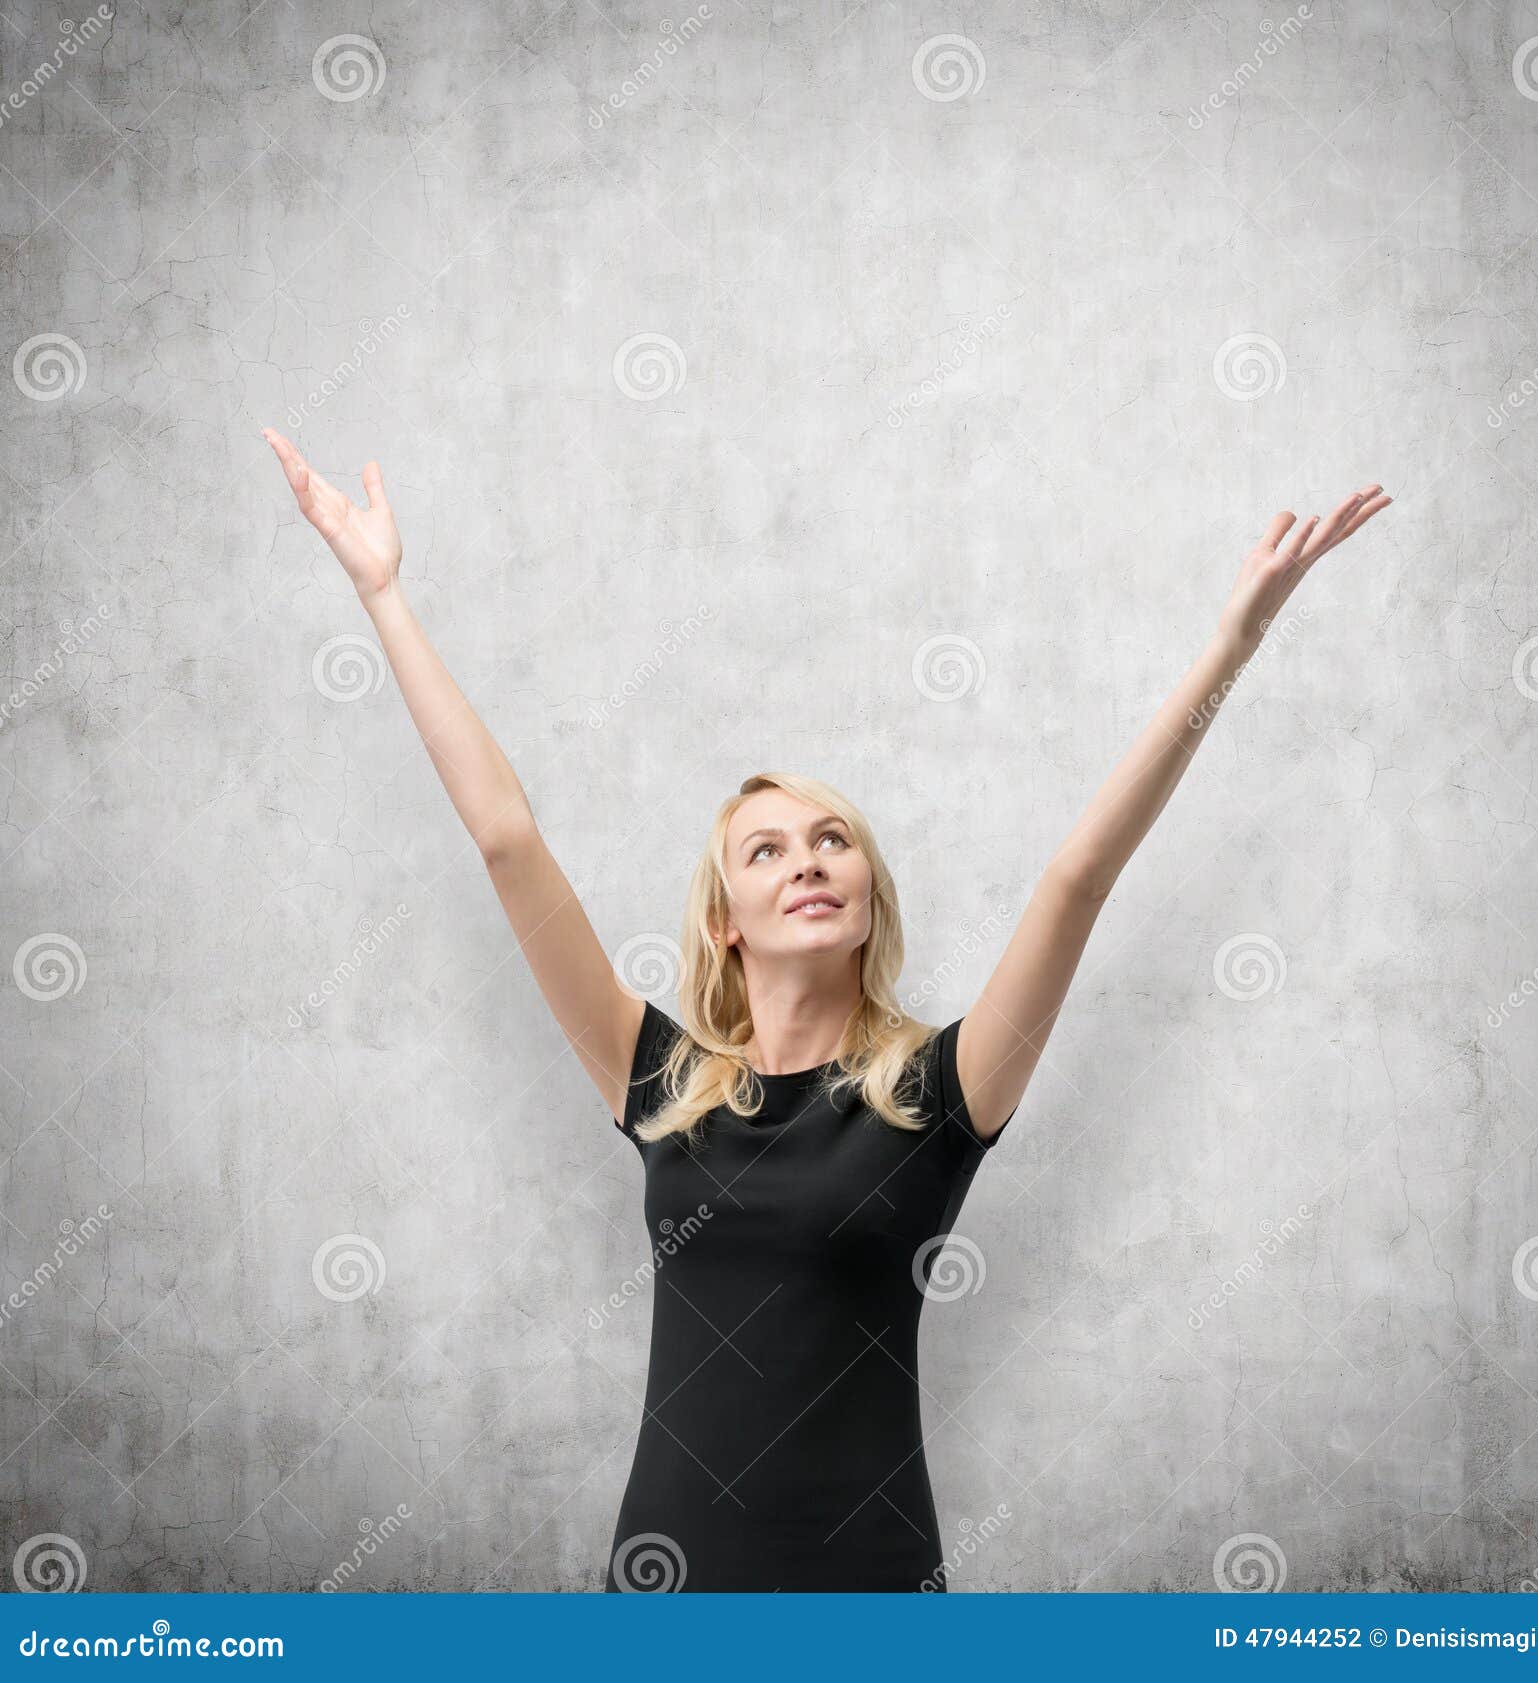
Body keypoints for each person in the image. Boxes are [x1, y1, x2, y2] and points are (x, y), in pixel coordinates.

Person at [262, 427, 1391, 1589]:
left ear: (865, 897)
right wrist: (383, 595)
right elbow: (506, 839)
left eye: (831, 840)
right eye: (765, 849)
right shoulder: (658, 1084)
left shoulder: (939, 1094)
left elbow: (1077, 879)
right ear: (726, 922)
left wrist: (1233, 642)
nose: (806, 859)